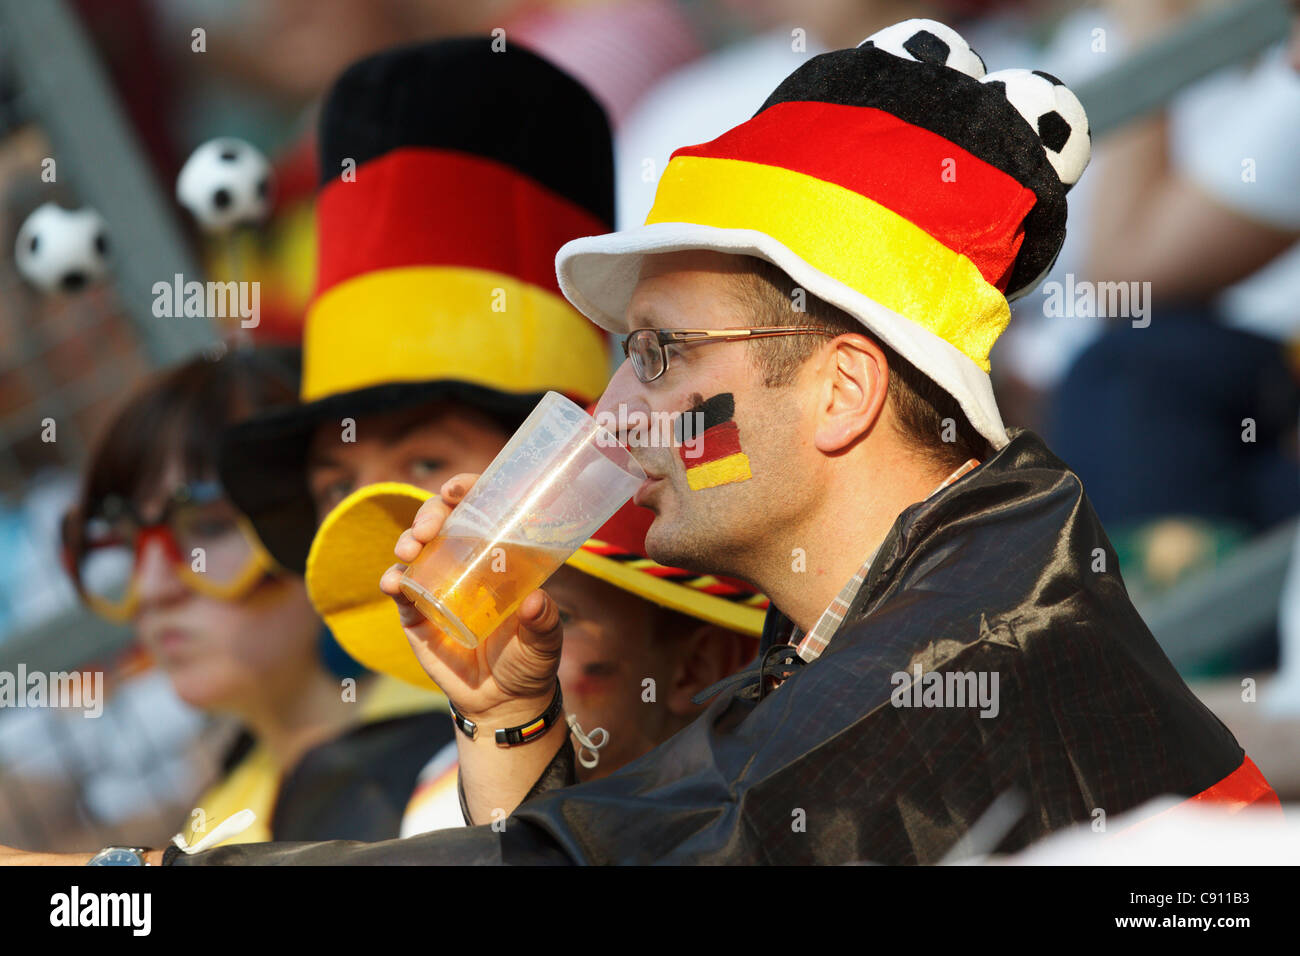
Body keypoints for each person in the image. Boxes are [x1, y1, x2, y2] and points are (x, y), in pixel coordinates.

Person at [5, 17, 1281, 866]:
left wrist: (116, 889)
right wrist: (509, 725)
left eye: (664, 354)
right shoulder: (894, 608)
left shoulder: (966, 651)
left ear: (841, 392)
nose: (616, 413)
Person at [56, 346, 449, 852]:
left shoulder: (460, 736)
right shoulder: (217, 813)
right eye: (131, 542)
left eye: (211, 527)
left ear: (316, 522)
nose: (153, 588)